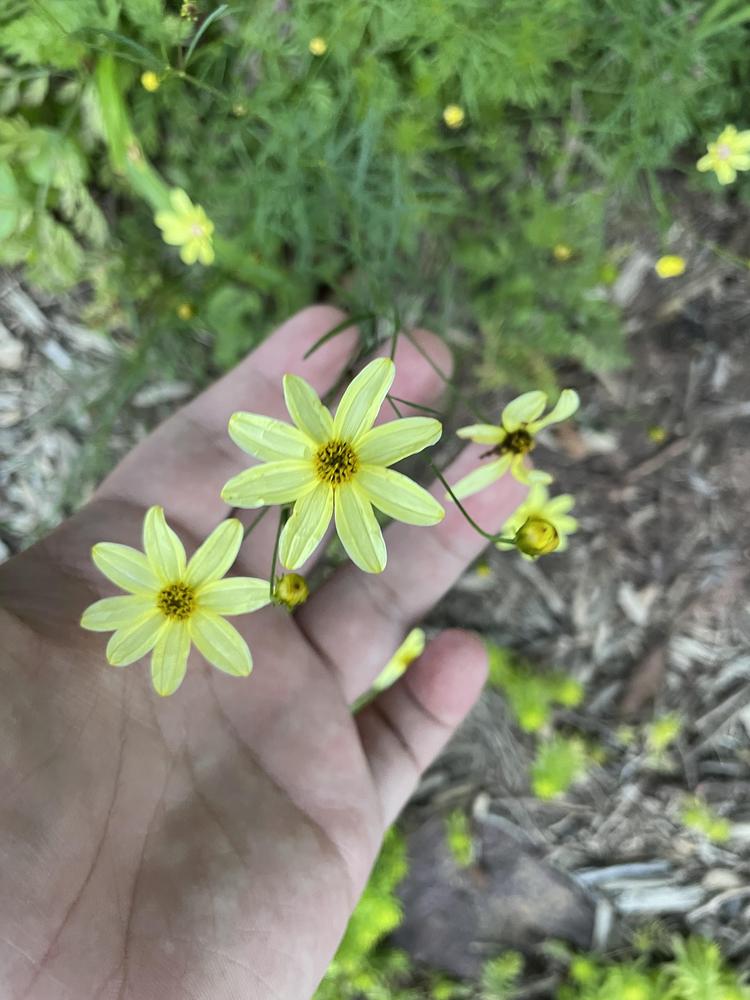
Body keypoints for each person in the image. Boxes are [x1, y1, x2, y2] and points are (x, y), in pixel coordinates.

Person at [0, 306, 524, 999]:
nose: (335, 462)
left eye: (336, 459)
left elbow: (389, 458)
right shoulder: (177, 603)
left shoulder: (331, 477)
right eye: (333, 459)